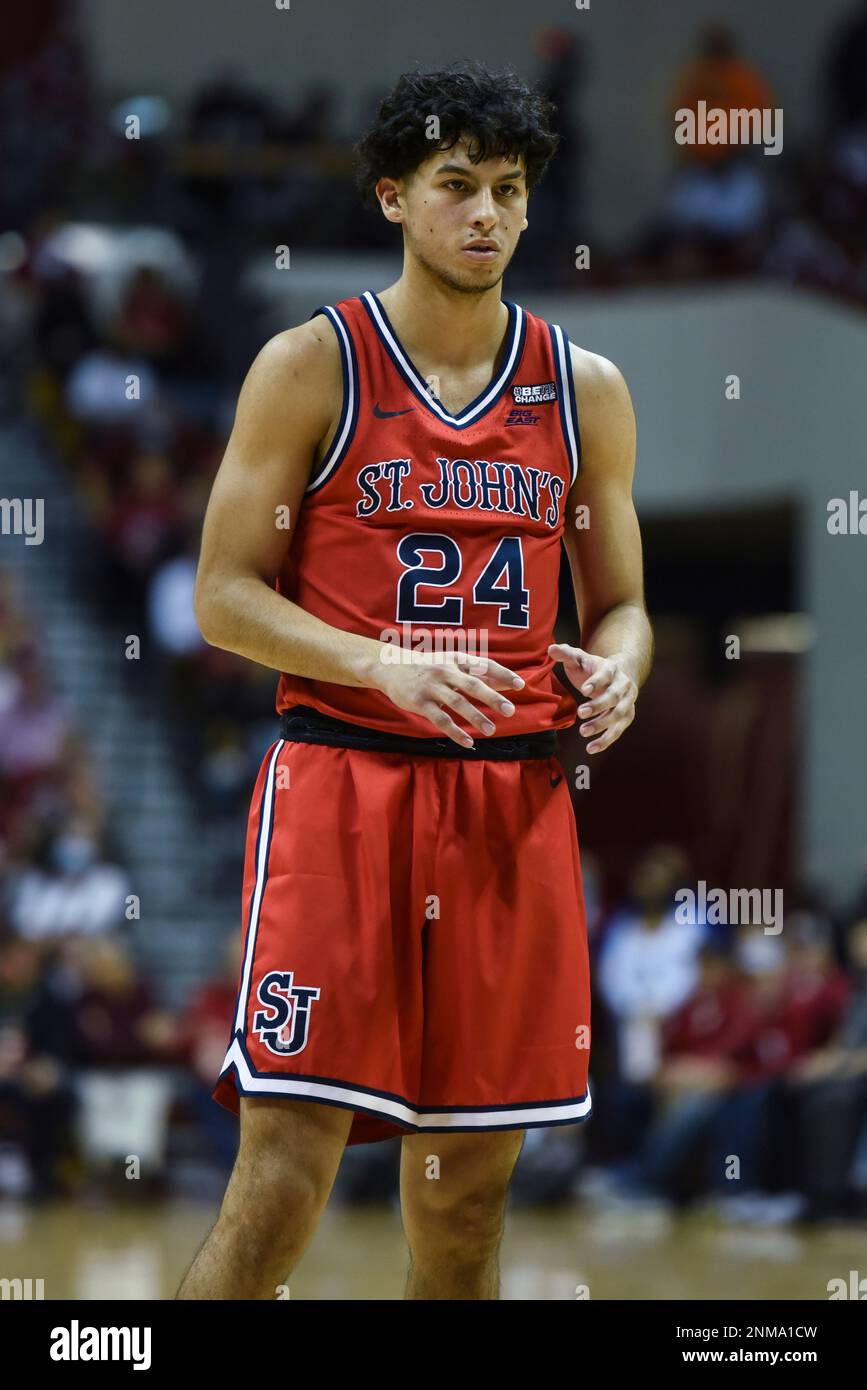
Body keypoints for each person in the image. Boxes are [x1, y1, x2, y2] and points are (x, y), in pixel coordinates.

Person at [180, 62, 653, 1301]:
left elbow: (623, 604)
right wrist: (376, 661)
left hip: (510, 809)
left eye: (507, 190)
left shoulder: (584, 389)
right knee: (282, 1177)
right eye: (456, 186)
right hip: (343, 789)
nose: (485, 214)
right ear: (394, 196)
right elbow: (221, 595)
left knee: (467, 1205)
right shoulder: (312, 363)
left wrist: (624, 669)